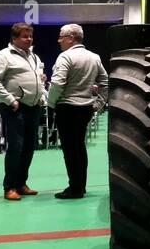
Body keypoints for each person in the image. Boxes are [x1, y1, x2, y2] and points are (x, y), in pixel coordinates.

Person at [46, 24, 109, 199]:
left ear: (71, 38)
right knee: (80, 147)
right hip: (86, 108)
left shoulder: (65, 57)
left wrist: (50, 103)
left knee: (70, 149)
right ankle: (81, 185)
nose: (59, 40)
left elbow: (58, 83)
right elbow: (106, 83)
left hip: (67, 107)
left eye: (61, 36)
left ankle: (75, 188)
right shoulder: (94, 57)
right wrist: (98, 104)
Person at [0, 23, 47, 201]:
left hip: (34, 107)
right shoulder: (4, 56)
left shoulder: (34, 56)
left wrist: (41, 95)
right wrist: (9, 99)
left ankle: (21, 184)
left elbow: (39, 79)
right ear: (14, 39)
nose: (29, 39)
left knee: (29, 148)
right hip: (16, 108)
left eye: (31, 36)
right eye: (25, 36)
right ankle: (9, 187)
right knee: (16, 148)